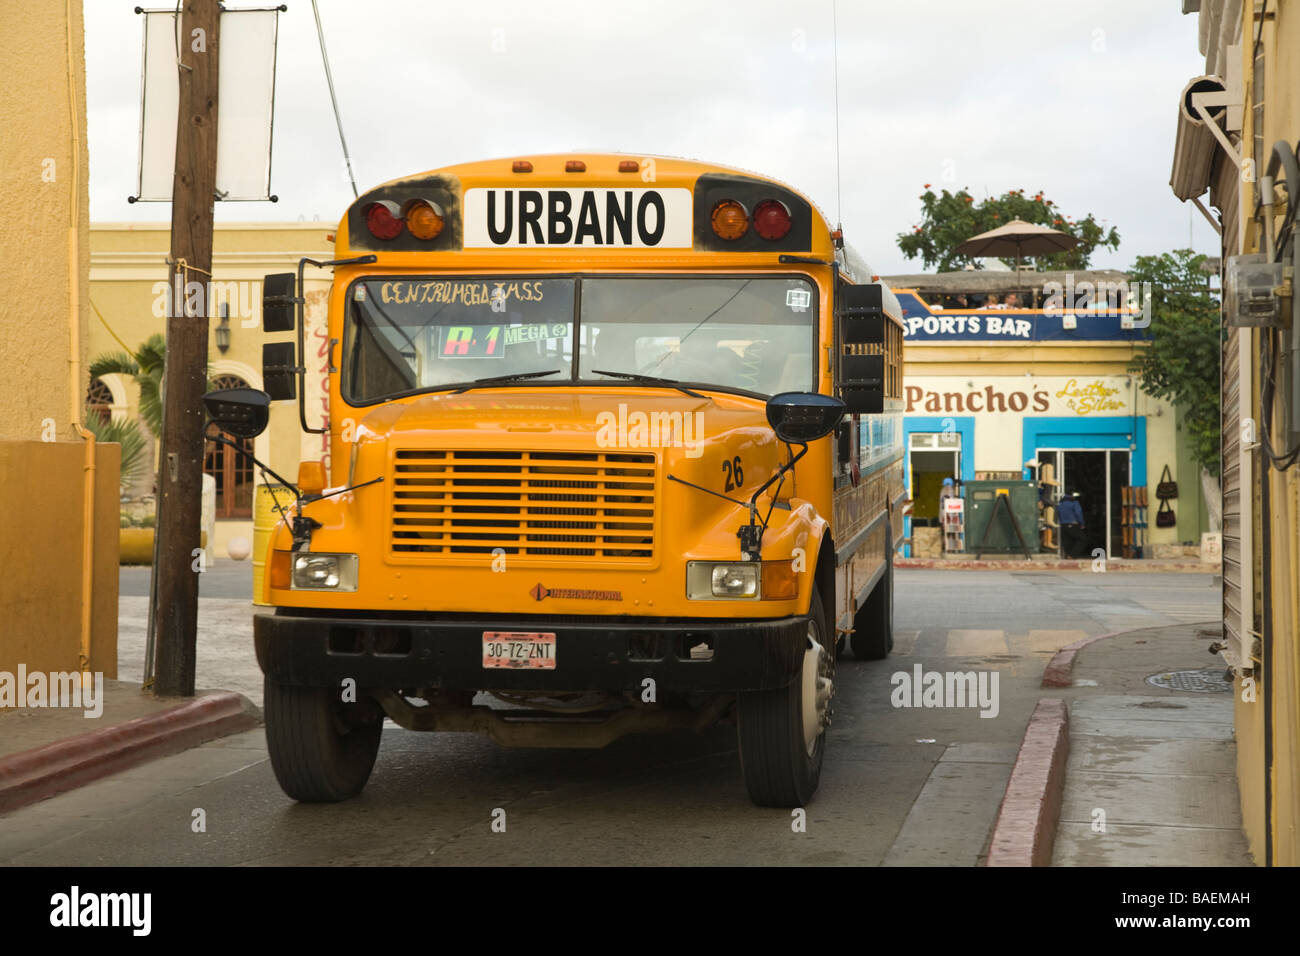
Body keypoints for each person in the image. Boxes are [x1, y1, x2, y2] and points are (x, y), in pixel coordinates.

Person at [1058, 490, 1086, 558]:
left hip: (1063, 525)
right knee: (1083, 539)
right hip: (1072, 524)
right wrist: (1082, 523)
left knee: (1068, 541)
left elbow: (1058, 514)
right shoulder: (1074, 502)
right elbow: (1078, 513)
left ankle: (1068, 555)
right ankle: (1072, 555)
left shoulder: (1060, 503)